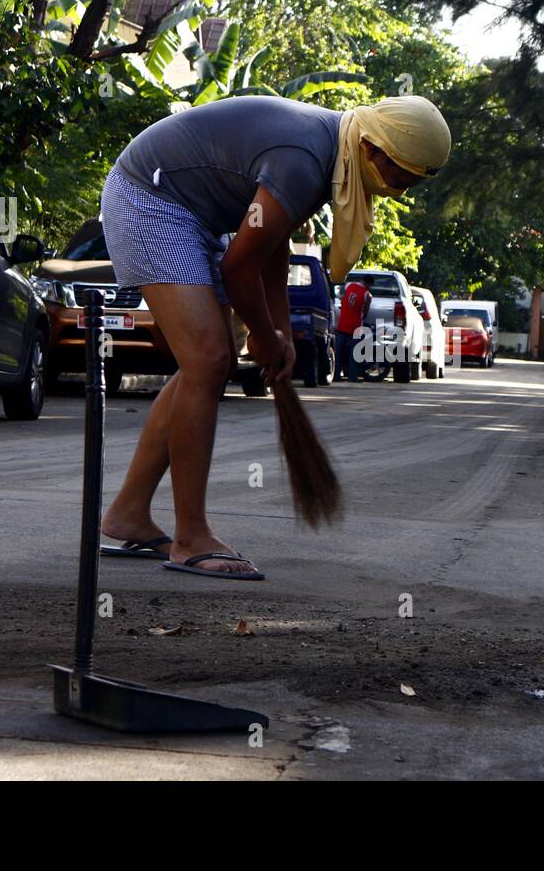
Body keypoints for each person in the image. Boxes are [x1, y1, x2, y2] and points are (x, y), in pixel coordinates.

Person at [97, 94, 451, 579]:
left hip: (196, 213)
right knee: (207, 360)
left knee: (203, 365)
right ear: (374, 151)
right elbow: (240, 267)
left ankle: (129, 513)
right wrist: (263, 336)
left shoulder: (334, 151)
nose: (399, 191)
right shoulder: (307, 158)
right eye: (401, 178)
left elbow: (272, 243)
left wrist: (281, 332)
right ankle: (189, 536)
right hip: (149, 197)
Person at [334, 277, 371, 381]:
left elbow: (342, 299)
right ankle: (352, 376)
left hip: (342, 323)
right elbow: (366, 312)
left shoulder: (348, 285)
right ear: (368, 284)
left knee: (339, 351)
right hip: (356, 326)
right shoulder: (367, 295)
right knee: (354, 352)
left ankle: (336, 375)